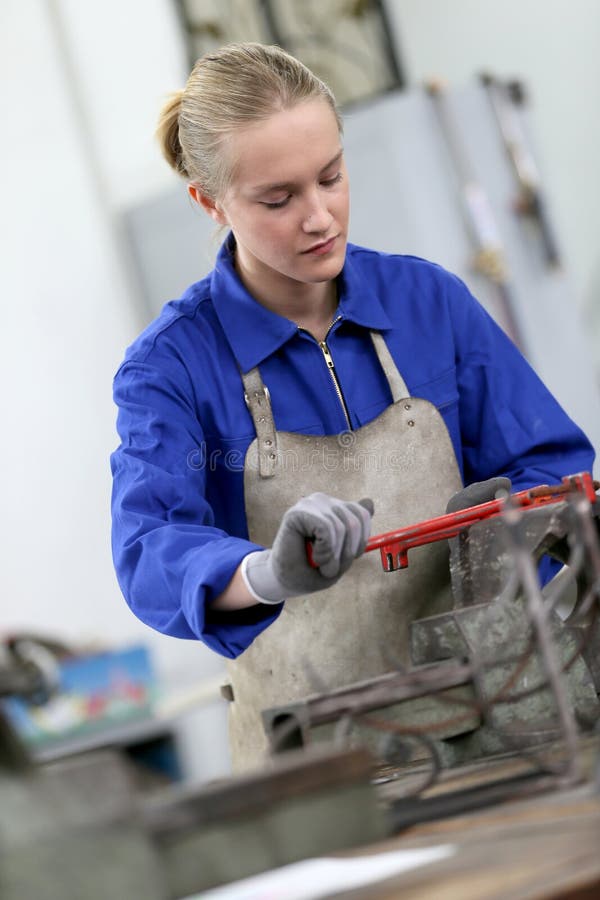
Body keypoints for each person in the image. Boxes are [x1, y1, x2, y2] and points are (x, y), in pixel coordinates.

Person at [110, 42, 595, 769]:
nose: (320, 217)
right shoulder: (173, 366)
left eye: (331, 178)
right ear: (209, 201)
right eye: (279, 199)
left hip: (497, 716)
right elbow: (149, 547)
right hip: (314, 765)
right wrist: (265, 574)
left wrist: (503, 562)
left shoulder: (430, 305)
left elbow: (551, 467)